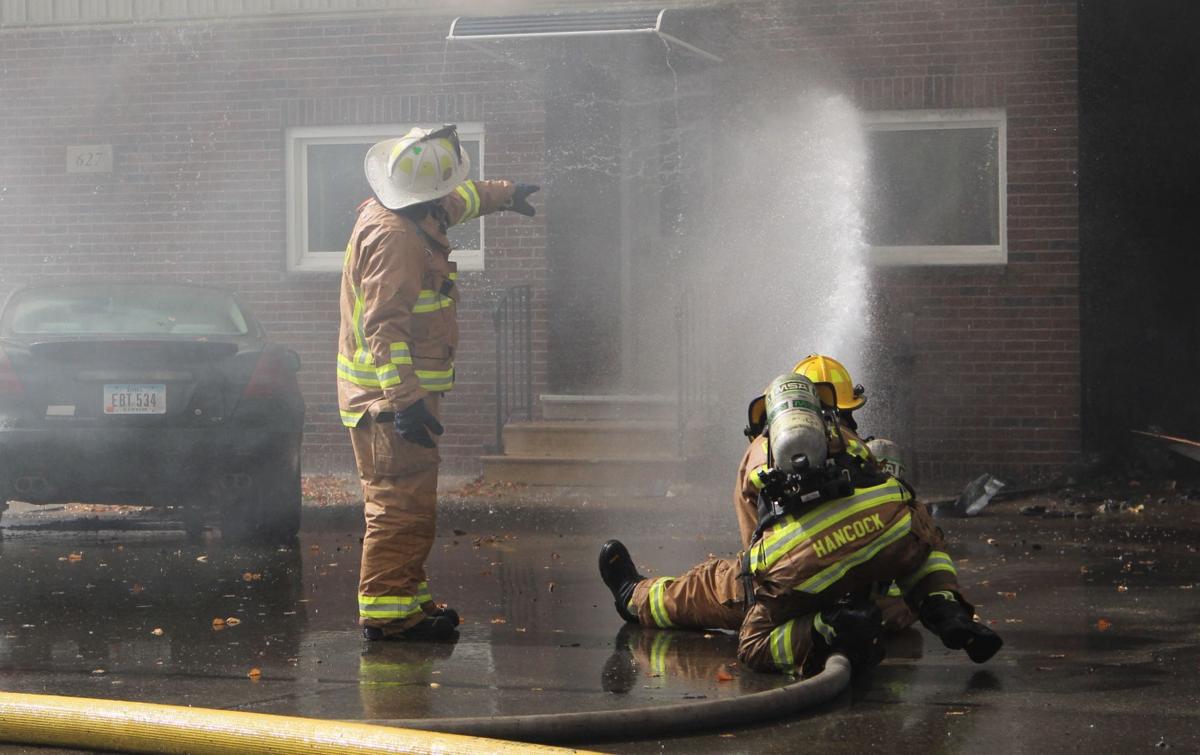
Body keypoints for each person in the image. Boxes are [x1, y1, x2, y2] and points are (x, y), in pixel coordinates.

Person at [598, 364, 1002, 675]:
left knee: (727, 602)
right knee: (920, 542)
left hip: (805, 567)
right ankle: (946, 611)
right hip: (890, 595)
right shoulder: (859, 446)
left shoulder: (762, 447)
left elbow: (755, 546)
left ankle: (635, 596)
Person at [338, 125, 539, 641]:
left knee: (414, 503)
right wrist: (404, 402)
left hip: (401, 397)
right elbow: (383, 327)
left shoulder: (414, 212)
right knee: (396, 506)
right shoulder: (396, 238)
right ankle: (387, 616)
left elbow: (460, 199)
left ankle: (409, 597)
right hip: (387, 403)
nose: (445, 200)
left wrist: (505, 194)